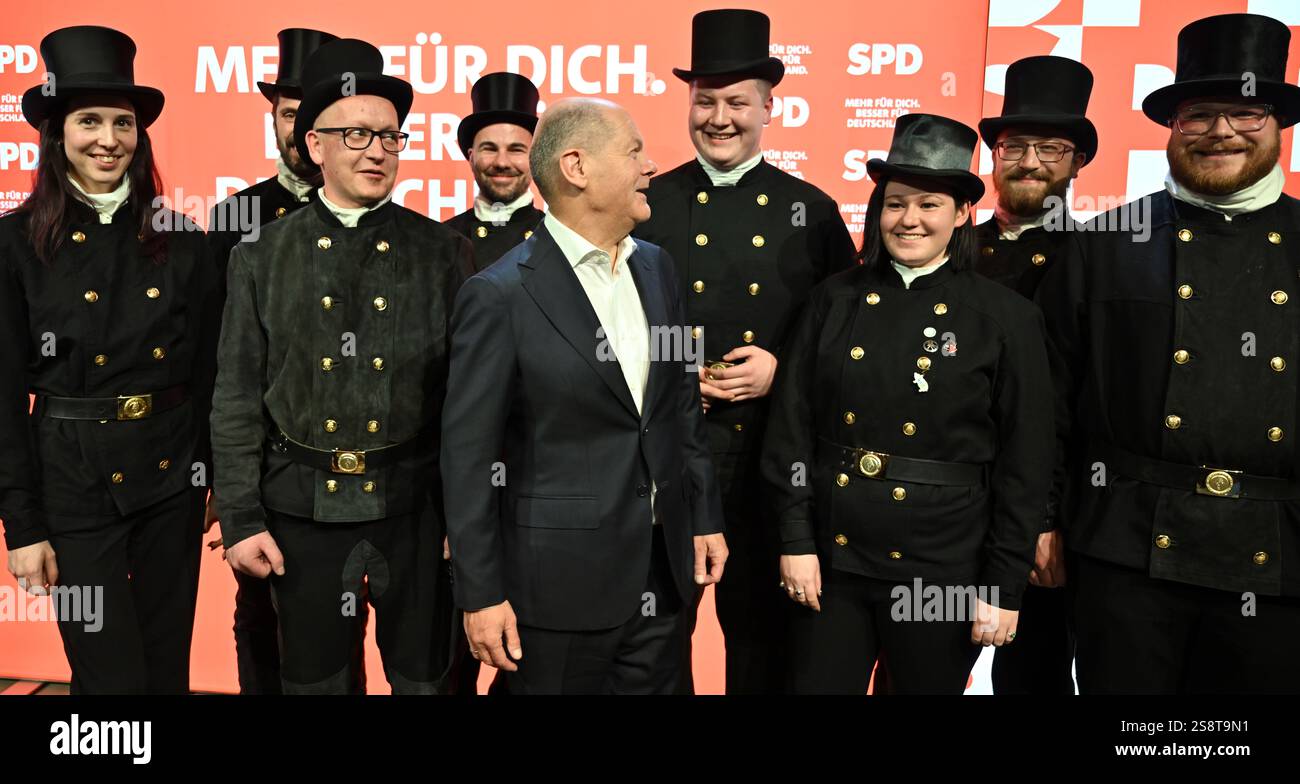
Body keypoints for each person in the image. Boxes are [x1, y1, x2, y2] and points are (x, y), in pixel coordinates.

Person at [1037, 12, 1300, 693]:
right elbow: (1047, 402)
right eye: (1199, 114)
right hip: (1125, 552)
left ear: (1278, 126)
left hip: (1281, 554)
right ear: (1172, 128)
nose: (1221, 132)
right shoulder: (1105, 242)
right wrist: (1041, 521)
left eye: (1246, 112)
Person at [210, 38, 473, 694]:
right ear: (314, 144)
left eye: (390, 136)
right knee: (317, 684)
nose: (376, 150)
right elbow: (237, 395)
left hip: (416, 512)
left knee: (427, 683)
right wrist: (241, 519)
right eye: (356, 133)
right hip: (301, 515)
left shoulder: (446, 253)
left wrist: (470, 522)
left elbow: (470, 406)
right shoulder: (261, 254)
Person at [442, 97, 728, 694]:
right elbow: (469, 458)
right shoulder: (498, 295)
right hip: (554, 591)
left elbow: (677, 406)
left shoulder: (658, 269)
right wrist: (481, 593)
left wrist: (702, 513)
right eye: (633, 153)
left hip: (663, 575)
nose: (649, 167)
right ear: (576, 167)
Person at [761, 114, 1054, 694]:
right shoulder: (831, 300)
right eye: (895, 204)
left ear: (962, 214)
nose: (909, 220)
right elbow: (789, 429)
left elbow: (1026, 463)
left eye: (928, 205)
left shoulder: (1006, 318)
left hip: (944, 569)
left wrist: (1002, 587)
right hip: (833, 559)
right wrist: (794, 541)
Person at [634, 8, 857, 693]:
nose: (719, 118)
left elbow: (849, 342)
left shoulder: (811, 210)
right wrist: (673, 374)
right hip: (662, 459)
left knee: (760, 643)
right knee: (652, 635)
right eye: (705, 102)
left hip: (768, 462)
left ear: (770, 107)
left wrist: (781, 369)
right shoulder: (647, 200)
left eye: (737, 102)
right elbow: (601, 324)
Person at [0, 25, 221, 693]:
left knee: (164, 669)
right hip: (70, 483)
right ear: (57, 133)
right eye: (88, 120)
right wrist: (23, 525)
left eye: (122, 122)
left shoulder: (184, 241)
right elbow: (5, 396)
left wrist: (216, 481)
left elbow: (210, 374)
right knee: (107, 675)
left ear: (140, 134)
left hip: (170, 478)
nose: (107, 138)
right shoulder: (13, 244)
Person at [203, 25, 368, 697]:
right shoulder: (235, 216)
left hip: (346, 471)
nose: (301, 129)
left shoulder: (376, 219)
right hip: (262, 471)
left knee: (340, 629)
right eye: (289, 112)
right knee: (259, 621)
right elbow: (219, 366)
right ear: (274, 117)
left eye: (313, 115)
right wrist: (225, 484)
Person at [975, 54, 1097, 695]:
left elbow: (1078, 406)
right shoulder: (948, 251)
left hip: (1047, 517)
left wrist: (1045, 518)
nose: (1029, 161)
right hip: (944, 509)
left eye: (1052, 148)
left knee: (1035, 675)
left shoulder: (1101, 261)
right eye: (1013, 145)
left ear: (1079, 163)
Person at [445, 72, 544, 270]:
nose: (502, 162)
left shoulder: (558, 238)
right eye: (489, 148)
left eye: (516, 150)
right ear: (471, 157)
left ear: (534, 159)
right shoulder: (440, 239)